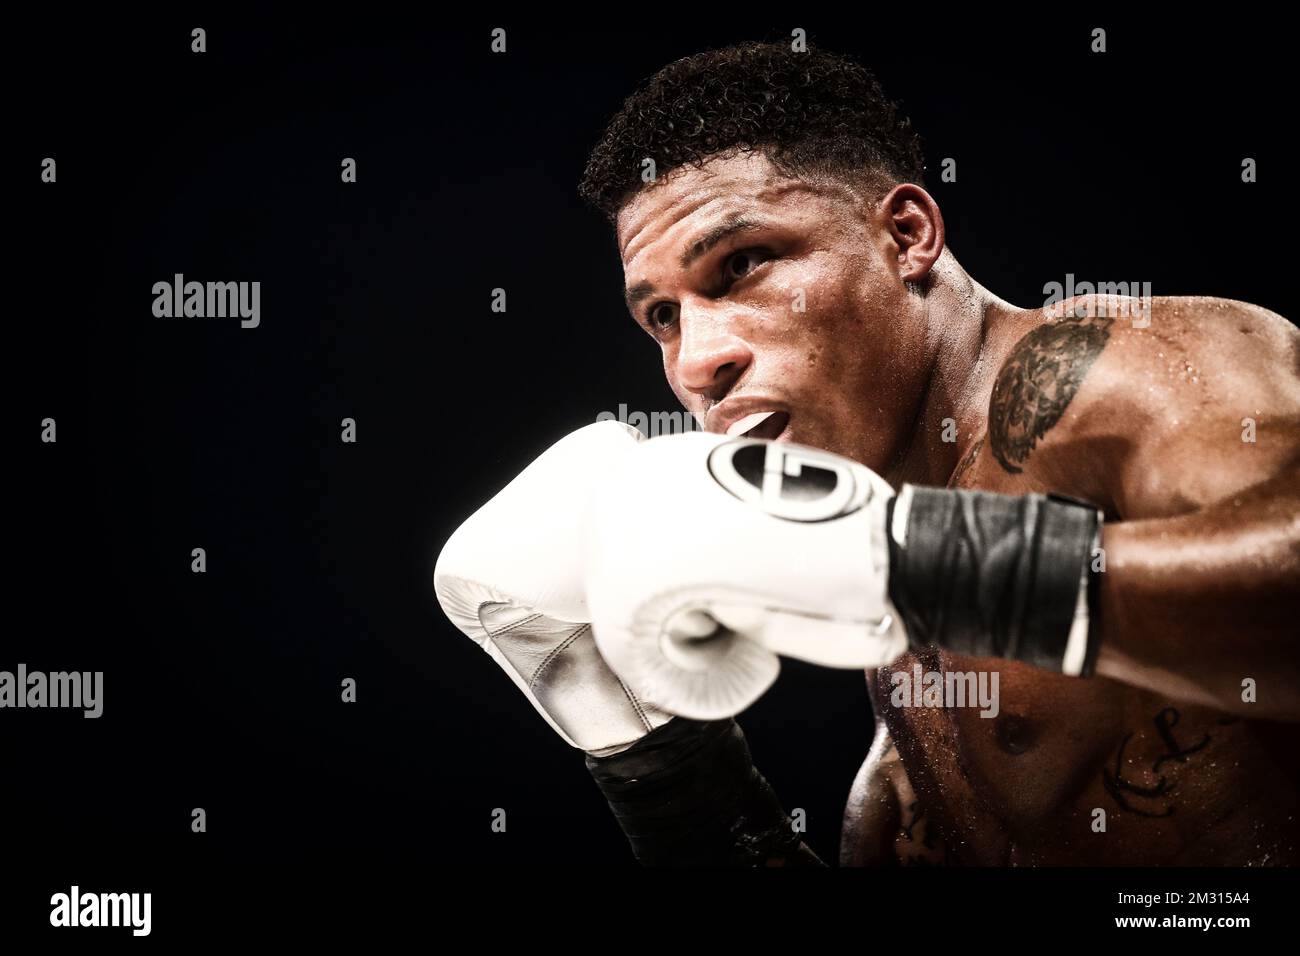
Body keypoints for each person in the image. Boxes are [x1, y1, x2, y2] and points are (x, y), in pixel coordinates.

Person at [437, 41, 1298, 866]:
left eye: (741, 264)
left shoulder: (1104, 369)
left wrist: (907, 561)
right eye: (662, 317)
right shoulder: (893, 651)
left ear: (908, 234)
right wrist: (665, 765)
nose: (698, 363)